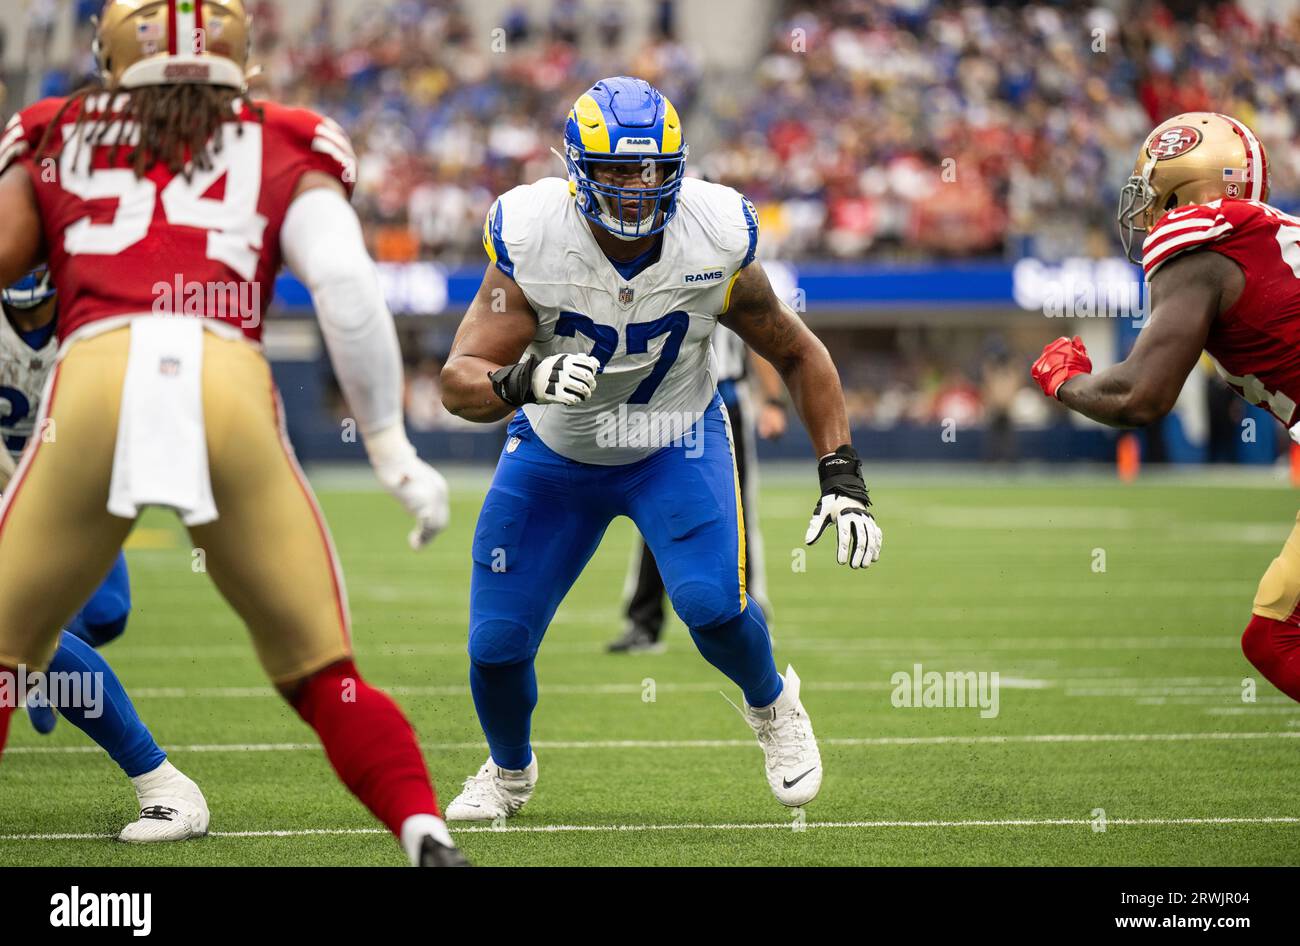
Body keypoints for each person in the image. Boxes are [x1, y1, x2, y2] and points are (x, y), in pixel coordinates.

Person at [0, 0, 464, 866]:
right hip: (226, 380)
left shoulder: (52, 128)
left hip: (96, 374)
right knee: (324, 675)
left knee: (5, 649)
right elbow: (349, 291)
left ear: (110, 58)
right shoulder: (287, 134)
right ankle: (422, 832)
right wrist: (392, 447)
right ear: (242, 64)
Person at [439, 76, 883, 821]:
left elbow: (799, 353)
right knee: (496, 644)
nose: (638, 188)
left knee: (712, 606)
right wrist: (525, 378)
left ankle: (774, 707)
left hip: (672, 439)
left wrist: (842, 473)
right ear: (576, 169)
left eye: (652, 169)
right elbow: (458, 382)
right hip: (555, 450)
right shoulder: (531, 232)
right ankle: (509, 772)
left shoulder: (714, 231)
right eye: (617, 170)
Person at [1032, 111, 1300, 706]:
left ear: (1190, 189)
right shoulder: (1268, 233)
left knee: (1277, 638)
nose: (1145, 209)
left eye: (1154, 191)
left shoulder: (1207, 237)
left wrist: (1063, 382)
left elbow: (1141, 395)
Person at [1, 267, 209, 842]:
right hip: (16, 488)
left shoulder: (92, 320)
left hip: (75, 486)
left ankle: (162, 782)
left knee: (104, 614)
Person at [609, 325, 786, 653]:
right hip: (668, 404)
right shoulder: (668, 280)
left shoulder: (728, 280)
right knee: (657, 509)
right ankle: (643, 622)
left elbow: (758, 339)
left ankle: (752, 615)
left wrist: (773, 401)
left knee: (736, 510)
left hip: (722, 403)